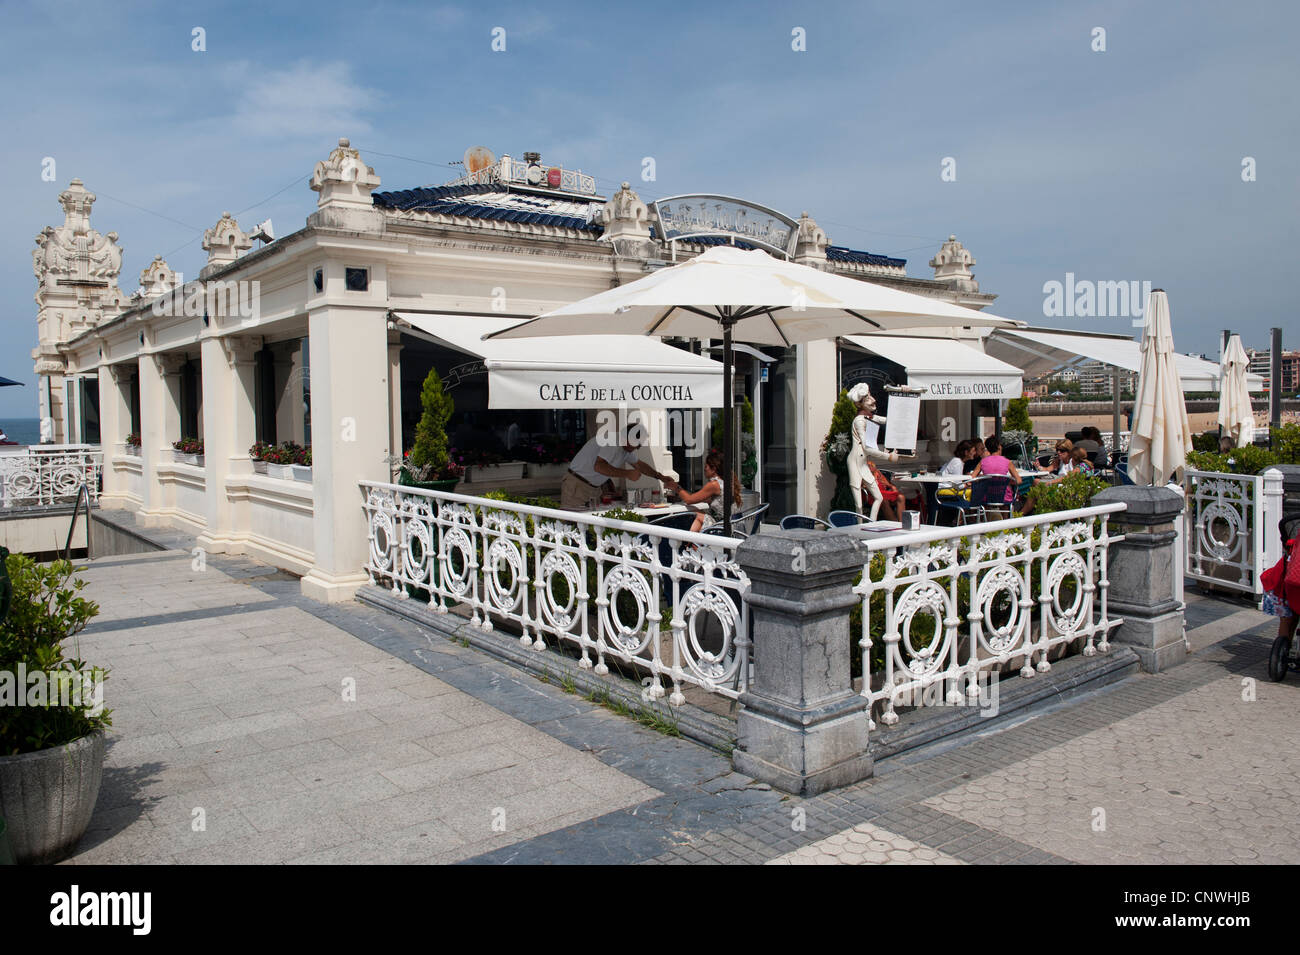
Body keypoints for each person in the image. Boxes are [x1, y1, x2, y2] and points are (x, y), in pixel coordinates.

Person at [560, 424, 668, 510]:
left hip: (592, 488)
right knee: (572, 525)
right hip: (577, 485)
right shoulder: (612, 441)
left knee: (591, 526)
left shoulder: (625, 448)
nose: (637, 448)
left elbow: (640, 465)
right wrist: (627, 474)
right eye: (637, 444)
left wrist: (660, 477)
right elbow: (599, 466)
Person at [845, 382, 907, 521]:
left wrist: (904, 397)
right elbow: (867, 447)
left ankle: (871, 524)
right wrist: (889, 457)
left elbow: (892, 421)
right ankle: (859, 527)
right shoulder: (859, 421)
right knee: (858, 504)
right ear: (859, 404)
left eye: (871, 396)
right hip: (855, 462)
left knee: (878, 497)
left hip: (863, 463)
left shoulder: (869, 418)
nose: (873, 400)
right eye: (867, 399)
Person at [667, 450, 743, 533]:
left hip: (725, 528)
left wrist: (676, 487)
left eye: (706, 466)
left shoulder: (714, 484)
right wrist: (680, 497)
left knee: (698, 516)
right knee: (699, 513)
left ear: (713, 469)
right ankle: (693, 544)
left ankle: (690, 542)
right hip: (735, 525)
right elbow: (697, 498)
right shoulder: (726, 481)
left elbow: (689, 500)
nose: (704, 469)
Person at [970, 436, 1021, 508]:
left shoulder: (982, 462)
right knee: (1006, 497)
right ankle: (1006, 518)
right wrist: (1004, 481)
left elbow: (972, 478)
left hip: (986, 496)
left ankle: (986, 518)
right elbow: (1019, 480)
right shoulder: (1007, 462)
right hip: (1004, 496)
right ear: (999, 447)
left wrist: (984, 478)